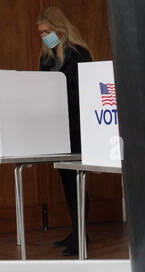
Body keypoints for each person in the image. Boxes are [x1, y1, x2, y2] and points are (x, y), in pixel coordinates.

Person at [37, 7, 94, 257]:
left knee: (77, 180)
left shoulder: (79, 54)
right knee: (66, 182)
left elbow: (84, 89)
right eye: (41, 33)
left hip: (78, 125)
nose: (44, 36)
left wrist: (57, 92)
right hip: (57, 127)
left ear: (60, 29)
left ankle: (82, 232)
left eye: (47, 31)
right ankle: (75, 230)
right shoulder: (47, 57)